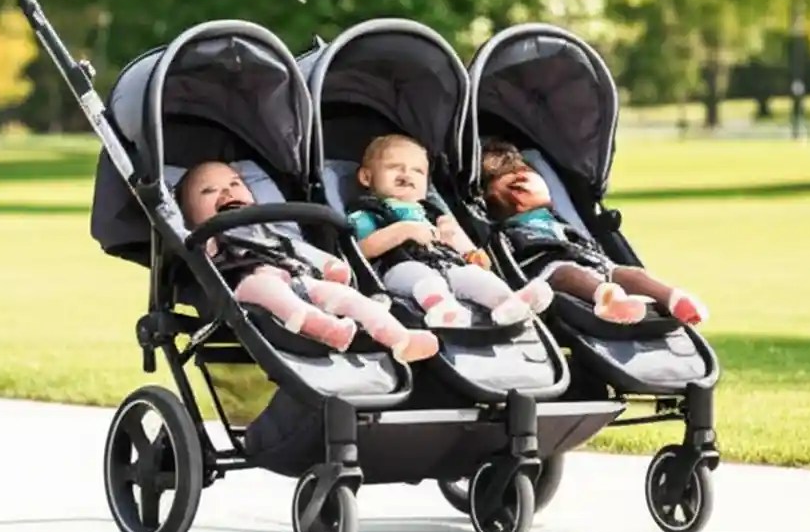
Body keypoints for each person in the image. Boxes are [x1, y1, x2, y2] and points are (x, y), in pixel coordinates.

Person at [176, 160, 439, 362]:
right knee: (264, 286)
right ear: (189, 217)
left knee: (348, 296)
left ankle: (399, 338)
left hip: (298, 277)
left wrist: (329, 265)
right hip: (244, 284)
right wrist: (200, 235)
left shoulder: (274, 233)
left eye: (235, 184)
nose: (226, 192)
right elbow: (198, 256)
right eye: (209, 191)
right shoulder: (207, 238)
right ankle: (319, 325)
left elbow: (299, 249)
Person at [479, 138, 709, 325]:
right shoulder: (502, 230)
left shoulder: (558, 219)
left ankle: (673, 298)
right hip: (547, 270)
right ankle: (609, 297)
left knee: (631, 274)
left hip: (590, 261)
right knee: (568, 275)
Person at [347, 134, 553, 327]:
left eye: (417, 171)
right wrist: (403, 231)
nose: (406, 175)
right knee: (422, 277)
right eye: (394, 167)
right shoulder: (368, 210)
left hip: (446, 264)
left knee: (475, 276)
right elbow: (361, 251)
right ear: (366, 177)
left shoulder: (432, 212)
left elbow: (464, 248)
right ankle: (443, 309)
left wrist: (472, 253)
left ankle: (510, 303)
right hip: (397, 269)